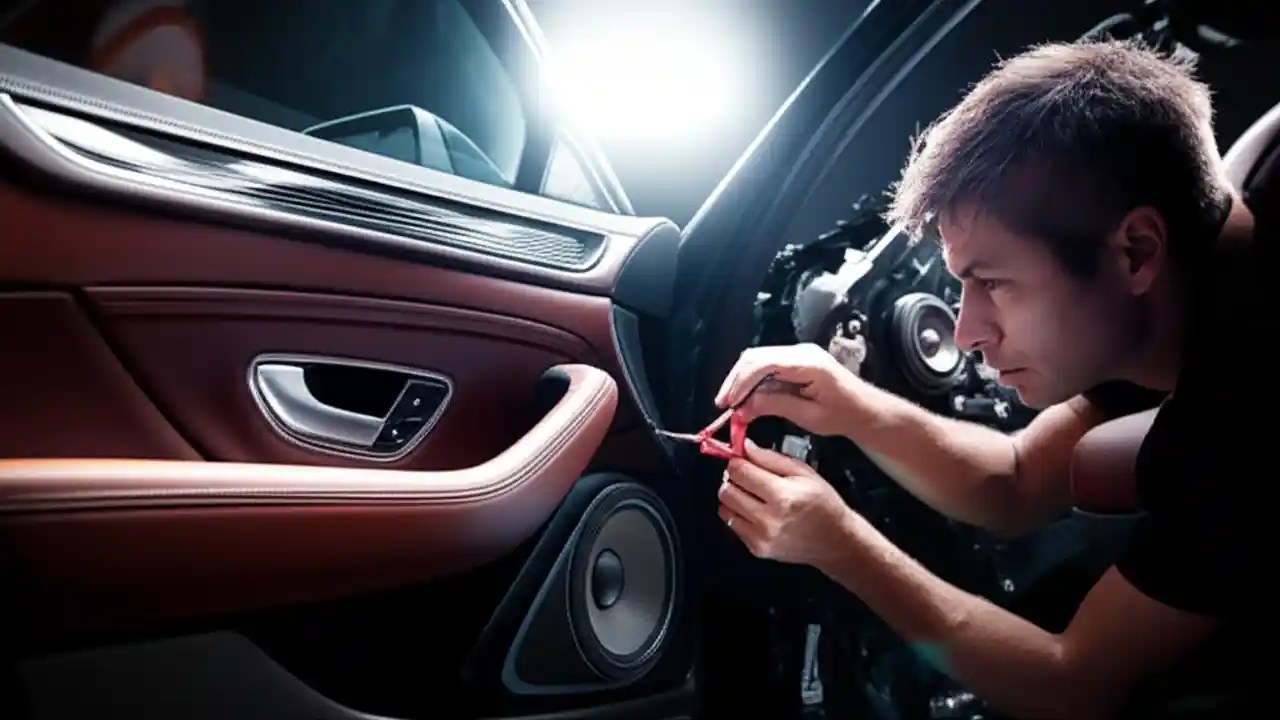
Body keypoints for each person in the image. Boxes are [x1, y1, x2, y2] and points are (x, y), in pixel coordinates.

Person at [713, 39, 1263, 719]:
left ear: (1136, 251)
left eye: (994, 283)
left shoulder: (1239, 430)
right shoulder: (1194, 274)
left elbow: (1074, 685)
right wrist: (848, 402)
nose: (968, 332)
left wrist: (840, 548)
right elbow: (1017, 478)